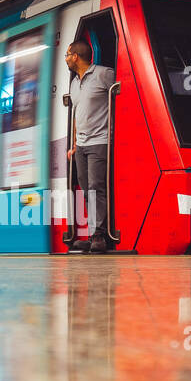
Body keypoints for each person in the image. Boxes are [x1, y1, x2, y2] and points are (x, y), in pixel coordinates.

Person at [64, 40, 116, 253]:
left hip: (100, 140)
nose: (66, 59)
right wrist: (75, 144)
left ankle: (99, 235)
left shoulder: (104, 74)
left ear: (76, 56)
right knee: (87, 190)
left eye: (67, 55)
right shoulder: (74, 83)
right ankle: (93, 231)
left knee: (96, 187)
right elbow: (77, 114)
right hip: (82, 145)